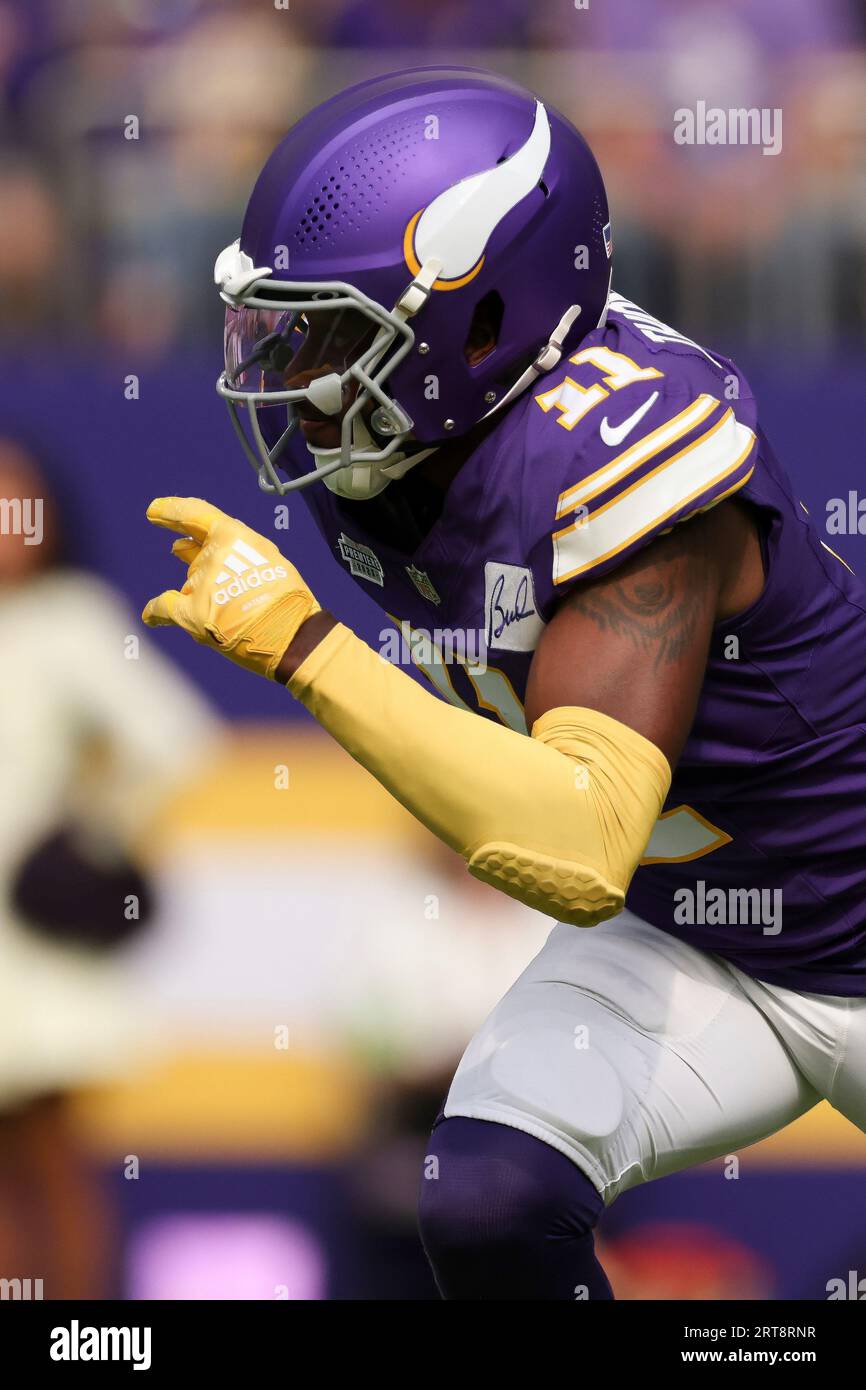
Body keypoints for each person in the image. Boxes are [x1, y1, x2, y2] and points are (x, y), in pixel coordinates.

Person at [142, 68, 866, 1300]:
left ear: (478, 325)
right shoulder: (413, 435)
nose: (292, 372)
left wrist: (305, 650)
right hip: (693, 930)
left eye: (329, 333)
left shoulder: (616, 454)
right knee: (483, 1200)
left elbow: (578, 843)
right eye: (282, 325)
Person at [0, 436, 219, 1297]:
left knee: (48, 1161)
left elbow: (176, 740)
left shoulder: (67, 620)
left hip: (34, 947)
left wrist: (87, 840)